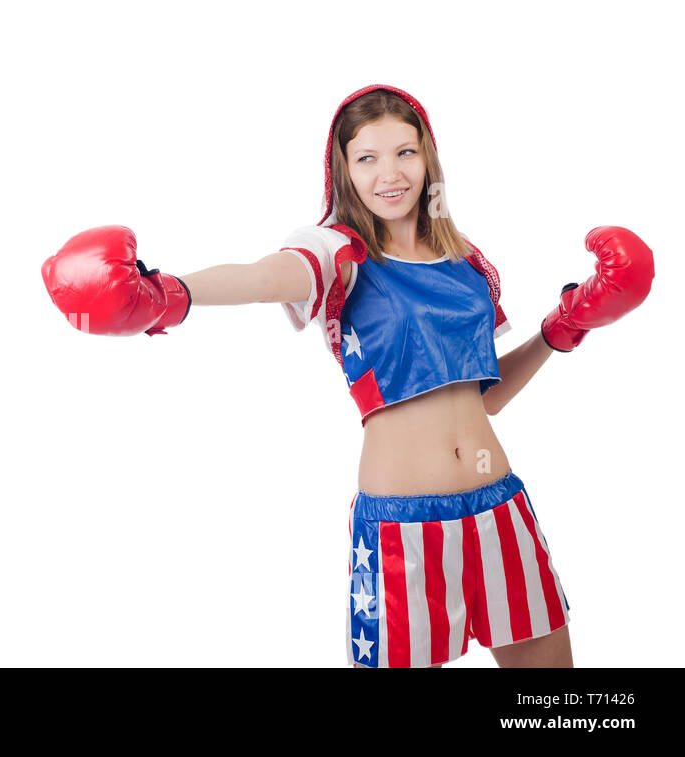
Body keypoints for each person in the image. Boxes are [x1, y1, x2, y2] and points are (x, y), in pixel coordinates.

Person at [41, 84, 653, 668]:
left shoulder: (467, 263)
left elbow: (482, 399)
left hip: (500, 506)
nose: (390, 174)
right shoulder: (337, 251)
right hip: (401, 526)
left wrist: (565, 325)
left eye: (405, 153)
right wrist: (166, 294)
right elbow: (264, 277)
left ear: (427, 157)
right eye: (368, 158)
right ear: (344, 170)